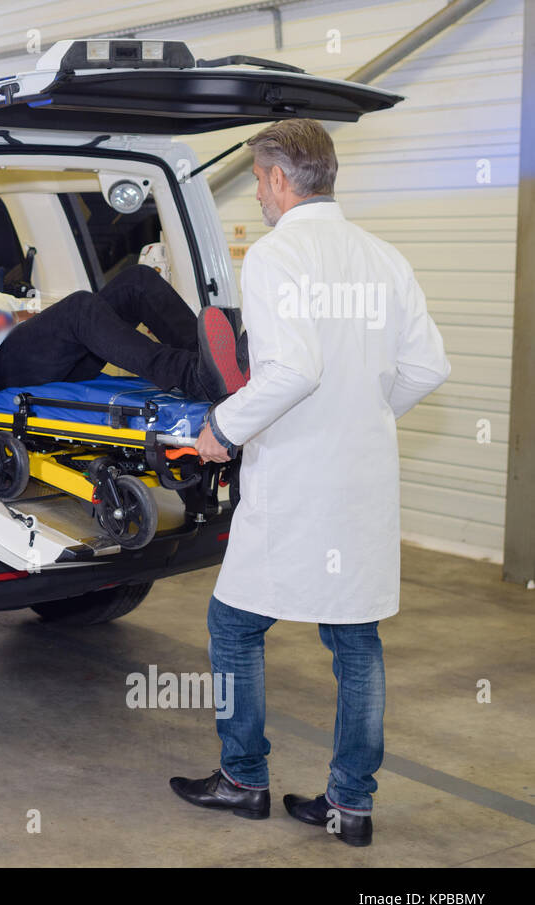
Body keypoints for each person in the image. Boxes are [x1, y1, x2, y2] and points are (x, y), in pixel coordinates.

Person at [170, 118, 451, 847]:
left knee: (234, 625)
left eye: (260, 181)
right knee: (355, 638)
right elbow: (427, 366)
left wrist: (221, 429)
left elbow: (294, 369)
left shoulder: (275, 256)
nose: (259, 195)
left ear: (278, 180)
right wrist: (361, 417)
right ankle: (349, 804)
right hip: (360, 479)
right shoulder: (383, 257)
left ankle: (242, 778)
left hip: (294, 478)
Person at [0, 225, 247, 401]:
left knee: (137, 279)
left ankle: (213, 366)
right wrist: (1, 320)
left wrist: (24, 315)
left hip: (43, 354)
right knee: (80, 307)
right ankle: (190, 374)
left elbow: (32, 317)